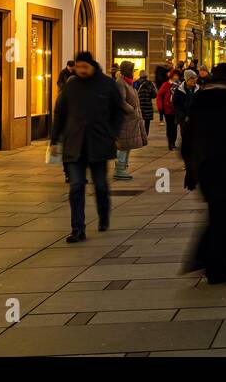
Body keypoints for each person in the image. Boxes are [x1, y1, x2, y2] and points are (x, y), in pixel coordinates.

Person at [181, 63, 226, 285]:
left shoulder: (199, 101)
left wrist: (190, 170)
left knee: (215, 214)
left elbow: (188, 138)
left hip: (205, 169)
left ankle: (202, 257)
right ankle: (218, 269)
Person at [50, 51, 124, 243]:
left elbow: (118, 111)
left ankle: (103, 215)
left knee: (100, 185)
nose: (81, 70)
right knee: (76, 186)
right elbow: (60, 113)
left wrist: (113, 134)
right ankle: (78, 229)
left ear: (92, 66)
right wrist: (54, 140)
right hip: (74, 144)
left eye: (84, 66)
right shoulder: (71, 86)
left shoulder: (107, 84)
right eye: (78, 66)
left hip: (99, 143)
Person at [113, 61, 147, 180]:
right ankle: (120, 168)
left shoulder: (128, 82)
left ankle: (123, 167)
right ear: (127, 70)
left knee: (128, 145)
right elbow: (120, 101)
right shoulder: (121, 83)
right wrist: (131, 109)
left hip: (131, 120)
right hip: (125, 120)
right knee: (124, 145)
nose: (133, 72)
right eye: (132, 70)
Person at [172, 68, 200, 149]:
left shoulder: (198, 89)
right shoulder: (180, 90)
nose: (194, 80)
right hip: (183, 118)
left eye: (195, 78)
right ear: (187, 79)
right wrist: (183, 115)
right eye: (192, 78)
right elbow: (176, 104)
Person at [157, 69, 179, 151]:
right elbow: (159, 96)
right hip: (167, 110)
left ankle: (173, 142)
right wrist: (160, 107)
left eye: (177, 75)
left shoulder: (179, 85)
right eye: (174, 75)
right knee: (170, 126)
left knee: (175, 126)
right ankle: (170, 142)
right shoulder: (166, 85)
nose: (176, 77)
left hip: (176, 110)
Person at [135, 70, 157, 136]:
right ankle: (146, 135)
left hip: (139, 105)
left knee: (138, 121)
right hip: (148, 106)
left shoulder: (136, 83)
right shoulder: (150, 83)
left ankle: (139, 134)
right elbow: (154, 95)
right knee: (147, 122)